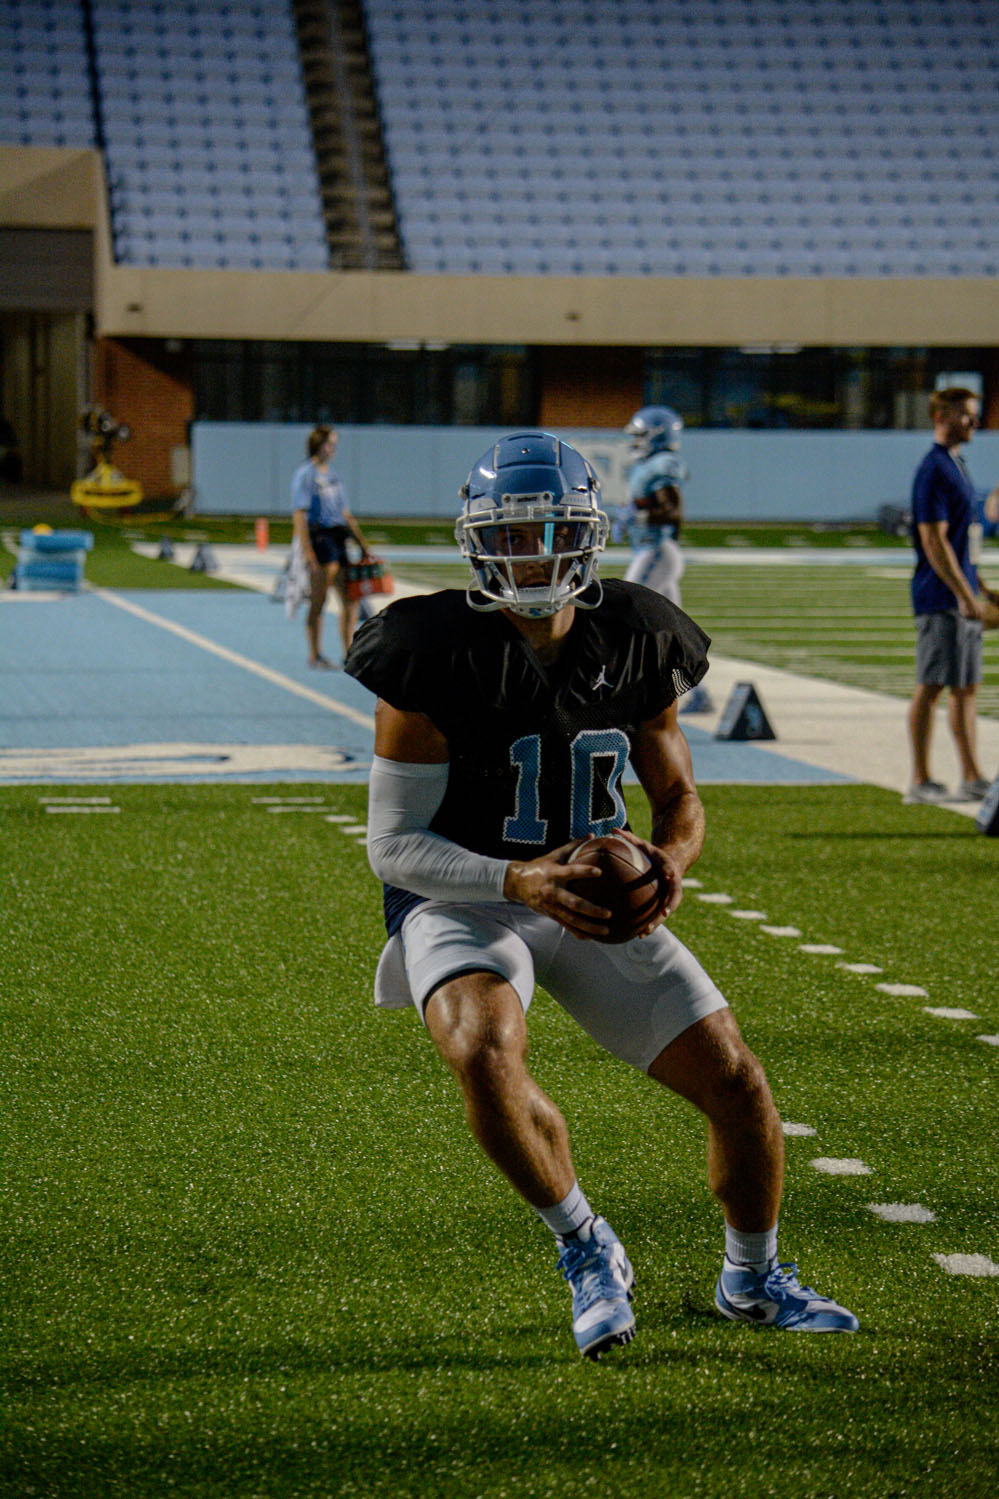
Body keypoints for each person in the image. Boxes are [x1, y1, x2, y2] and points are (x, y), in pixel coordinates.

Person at [344, 431, 857, 1359]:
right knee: (483, 1050)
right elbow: (391, 845)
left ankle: (752, 1275)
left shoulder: (640, 634)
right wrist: (518, 877)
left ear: (587, 536)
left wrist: (670, 863)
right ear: (475, 542)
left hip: (591, 882)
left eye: (551, 533)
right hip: (466, 890)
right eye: (512, 534)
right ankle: (584, 1244)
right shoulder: (427, 649)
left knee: (737, 1081)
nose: (533, 554)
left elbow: (681, 799)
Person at [904, 388, 999, 804]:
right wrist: (963, 593)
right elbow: (933, 540)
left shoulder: (956, 465)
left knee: (965, 687)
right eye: (967, 416)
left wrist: (979, 585)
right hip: (940, 597)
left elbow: (963, 540)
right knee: (932, 686)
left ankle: (972, 773)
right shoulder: (934, 469)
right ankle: (921, 779)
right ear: (942, 415)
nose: (974, 423)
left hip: (959, 593)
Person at [290, 425, 371, 668]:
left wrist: (362, 543)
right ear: (319, 444)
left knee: (350, 598)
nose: (334, 449)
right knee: (320, 599)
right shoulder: (305, 474)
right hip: (321, 537)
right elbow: (299, 514)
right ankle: (315, 654)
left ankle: (349, 653)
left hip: (339, 536)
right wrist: (307, 551)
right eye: (330, 444)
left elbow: (344, 512)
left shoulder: (333, 474)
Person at [618, 405, 688, 606]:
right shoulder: (646, 466)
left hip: (657, 552)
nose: (635, 441)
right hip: (654, 550)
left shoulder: (663, 464)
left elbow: (674, 512)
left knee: (628, 606)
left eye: (641, 435)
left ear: (657, 435)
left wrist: (638, 517)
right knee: (672, 627)